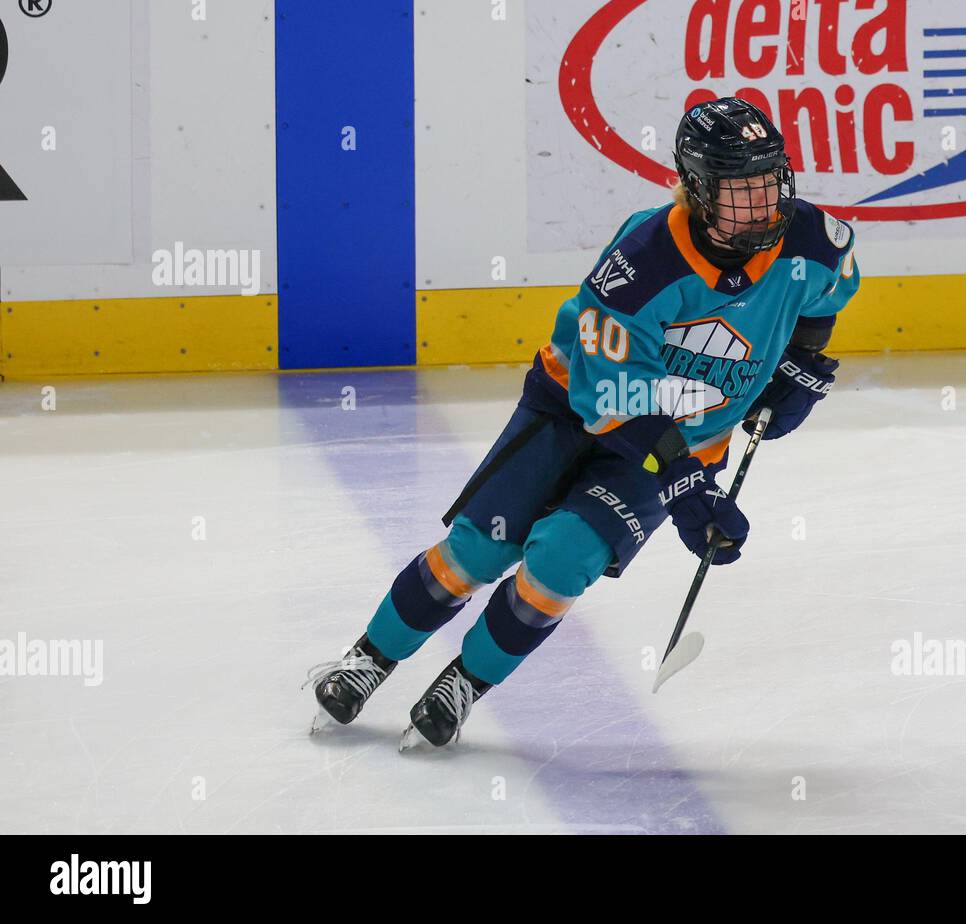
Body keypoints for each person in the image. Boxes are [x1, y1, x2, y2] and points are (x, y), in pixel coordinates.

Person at [304, 97, 860, 748]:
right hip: (574, 406)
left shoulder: (812, 242)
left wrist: (801, 363)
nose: (763, 204)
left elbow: (830, 291)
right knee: (479, 550)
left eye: (770, 182)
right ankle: (371, 658)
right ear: (699, 191)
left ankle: (466, 682)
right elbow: (614, 396)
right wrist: (683, 480)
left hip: (682, 440)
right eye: (741, 190)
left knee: (562, 564)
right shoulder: (646, 259)